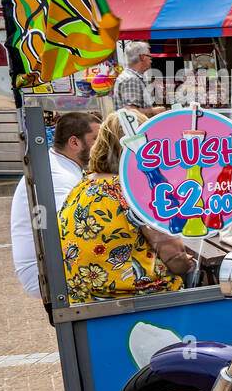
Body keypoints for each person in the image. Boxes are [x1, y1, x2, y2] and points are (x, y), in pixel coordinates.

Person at [57, 112, 196, 304]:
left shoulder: (83, 184)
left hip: (83, 300)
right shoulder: (133, 189)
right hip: (131, 302)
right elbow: (176, 259)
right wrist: (186, 262)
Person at [10, 111, 101, 296]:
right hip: (43, 272)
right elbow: (74, 232)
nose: (102, 146)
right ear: (74, 143)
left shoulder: (58, 163)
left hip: (46, 265)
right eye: (96, 140)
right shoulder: (57, 176)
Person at [112, 42, 162, 116]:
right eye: (149, 56)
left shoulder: (132, 77)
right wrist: (154, 111)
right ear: (142, 57)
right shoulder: (131, 79)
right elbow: (131, 112)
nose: (151, 60)